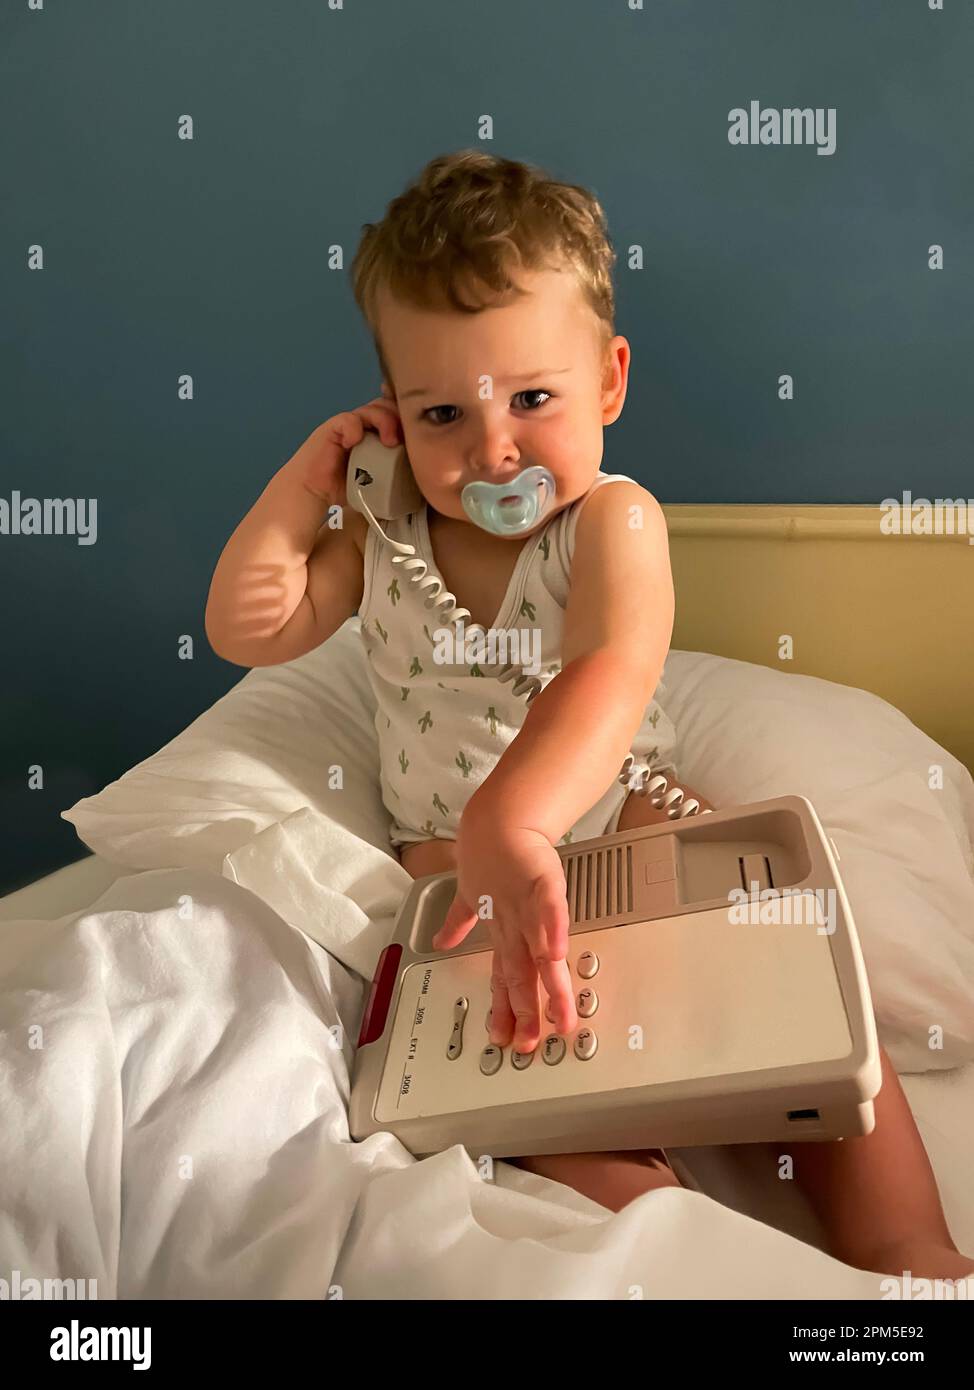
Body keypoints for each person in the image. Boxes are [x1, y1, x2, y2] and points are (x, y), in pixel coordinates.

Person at [206, 150, 973, 1282]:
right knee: (551, 1098)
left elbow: (606, 673)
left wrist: (514, 821)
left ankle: (908, 1246)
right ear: (391, 421)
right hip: (456, 884)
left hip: (622, 823)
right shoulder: (384, 536)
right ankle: (699, 1251)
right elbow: (250, 627)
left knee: (799, 1000)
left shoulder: (610, 523)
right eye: (439, 412)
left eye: (530, 399)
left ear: (607, 382)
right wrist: (305, 486)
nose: (491, 449)